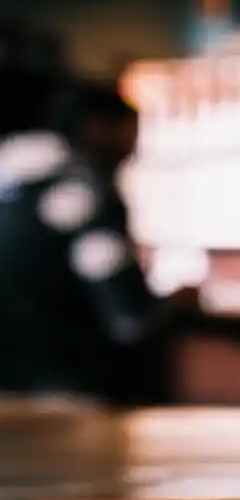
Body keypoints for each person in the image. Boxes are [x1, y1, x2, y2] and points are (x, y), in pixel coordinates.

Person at [0, 71, 160, 400]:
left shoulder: (12, 184)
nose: (133, 149)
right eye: (131, 134)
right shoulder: (81, 193)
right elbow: (128, 317)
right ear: (98, 127)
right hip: (65, 395)